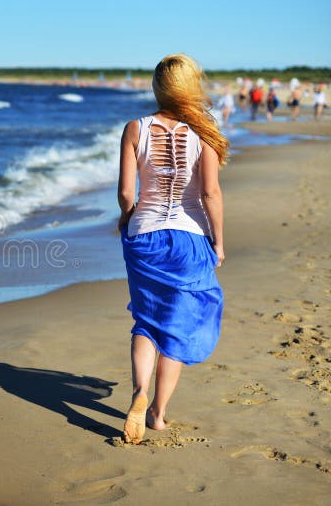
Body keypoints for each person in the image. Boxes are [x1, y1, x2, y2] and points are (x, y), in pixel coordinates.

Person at [117, 53, 227, 445]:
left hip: (144, 235)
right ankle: (158, 413)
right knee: (178, 325)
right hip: (189, 237)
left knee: (147, 320)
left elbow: (127, 192)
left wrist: (125, 218)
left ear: (158, 88)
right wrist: (219, 241)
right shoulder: (204, 132)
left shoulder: (135, 128)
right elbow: (210, 193)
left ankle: (139, 391)